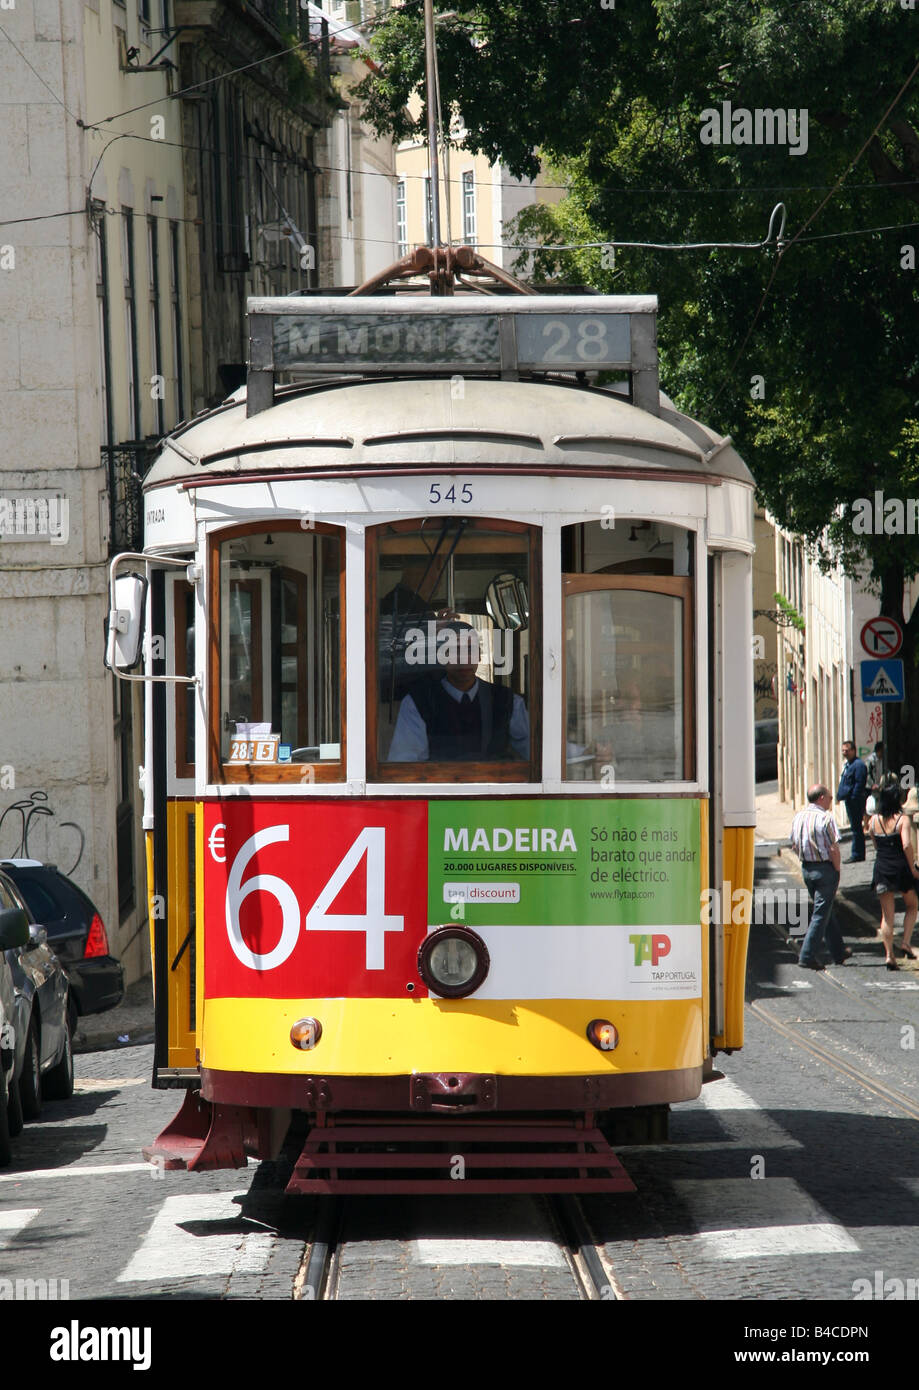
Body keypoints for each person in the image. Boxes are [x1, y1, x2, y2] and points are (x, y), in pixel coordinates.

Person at [387, 620, 528, 762]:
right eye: (454, 650)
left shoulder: (508, 701)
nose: (464, 659)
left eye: (470, 650)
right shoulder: (418, 703)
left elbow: (535, 759)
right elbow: (404, 763)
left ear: (479, 655)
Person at [790, 784, 847, 970]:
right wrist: (837, 869)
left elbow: (794, 844)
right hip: (825, 870)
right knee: (820, 914)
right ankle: (806, 956)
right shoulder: (825, 818)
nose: (832, 801)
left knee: (825, 909)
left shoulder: (799, 817)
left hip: (807, 869)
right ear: (821, 798)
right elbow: (833, 848)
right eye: (830, 798)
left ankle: (839, 952)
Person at [867, 777, 919, 970]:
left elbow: (874, 844)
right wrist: (913, 868)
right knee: (912, 905)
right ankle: (905, 942)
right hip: (901, 869)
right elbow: (906, 844)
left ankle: (889, 955)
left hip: (882, 868)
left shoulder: (873, 821)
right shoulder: (902, 819)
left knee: (886, 916)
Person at [837, 739, 868, 862]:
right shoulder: (848, 765)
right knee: (855, 828)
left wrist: (854, 798)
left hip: (855, 800)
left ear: (853, 751)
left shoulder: (858, 765)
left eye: (847, 750)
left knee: (856, 829)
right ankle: (857, 853)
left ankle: (857, 854)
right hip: (849, 800)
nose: (844, 753)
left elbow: (859, 783)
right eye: (843, 750)